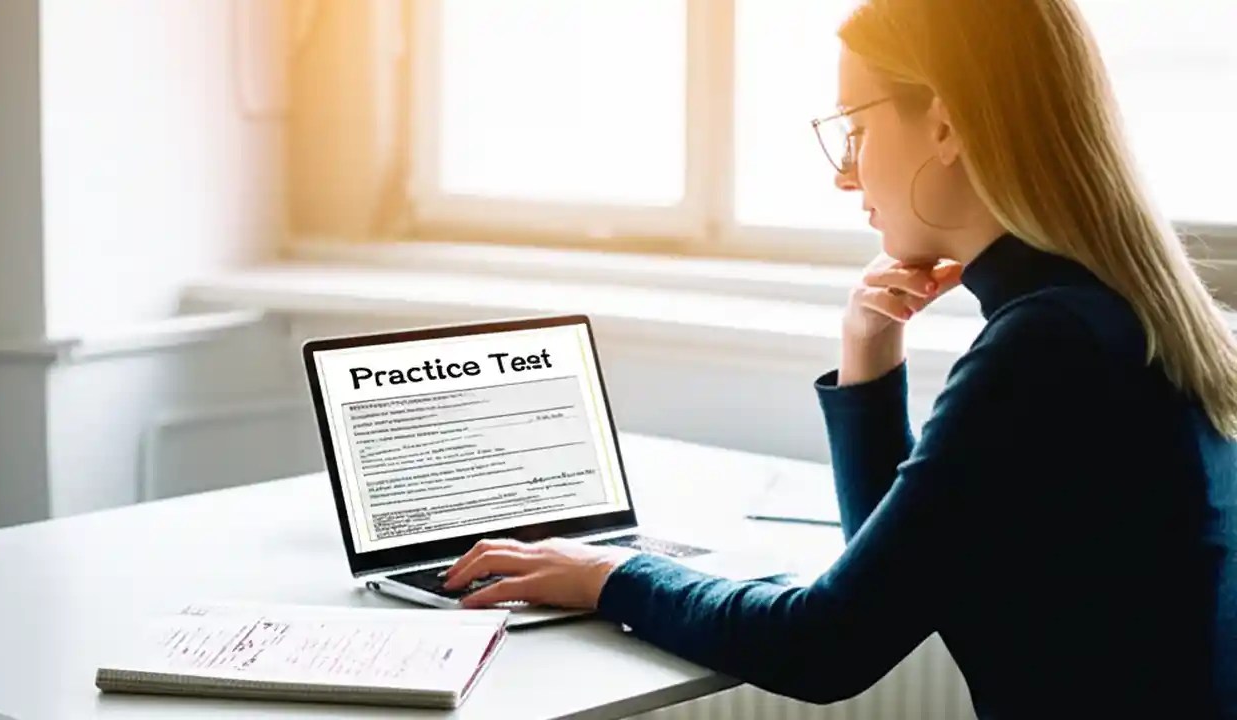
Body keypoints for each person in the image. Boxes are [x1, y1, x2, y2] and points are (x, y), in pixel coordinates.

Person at [441, 0, 1237, 716]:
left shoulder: (1045, 349)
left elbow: (825, 646)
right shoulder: (1121, 314)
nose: (844, 173)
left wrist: (608, 575)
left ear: (947, 125)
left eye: (854, 130)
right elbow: (890, 583)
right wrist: (868, 350)